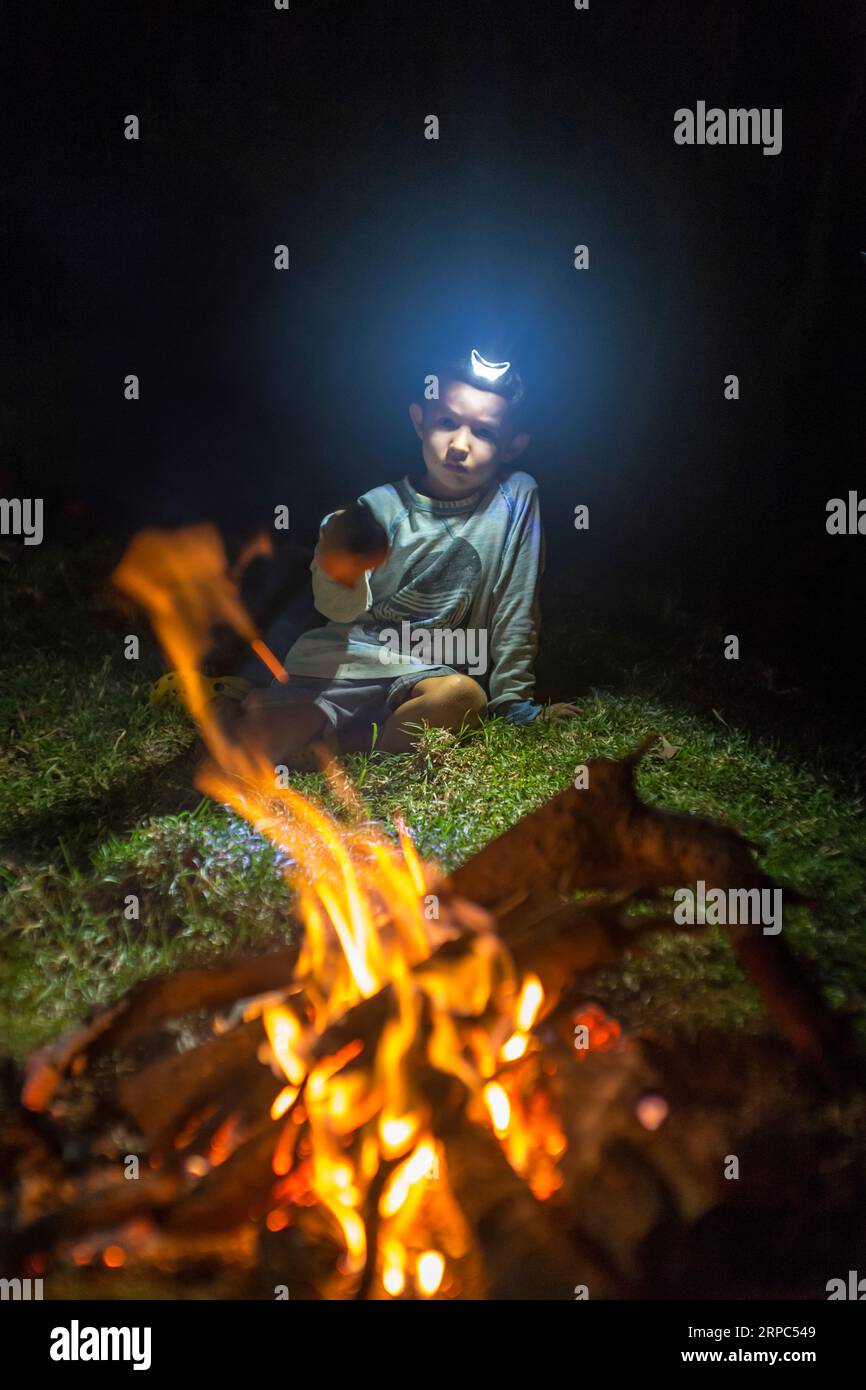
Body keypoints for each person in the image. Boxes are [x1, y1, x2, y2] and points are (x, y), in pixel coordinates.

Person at [219, 348, 579, 769]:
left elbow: (516, 606)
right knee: (246, 753)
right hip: (348, 665)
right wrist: (335, 562)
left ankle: (332, 749)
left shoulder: (515, 498)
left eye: (483, 433)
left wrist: (513, 699)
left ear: (512, 446)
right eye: (447, 422)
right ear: (419, 421)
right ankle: (238, 702)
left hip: (431, 676)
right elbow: (338, 609)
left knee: (464, 698)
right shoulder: (377, 508)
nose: (459, 445)